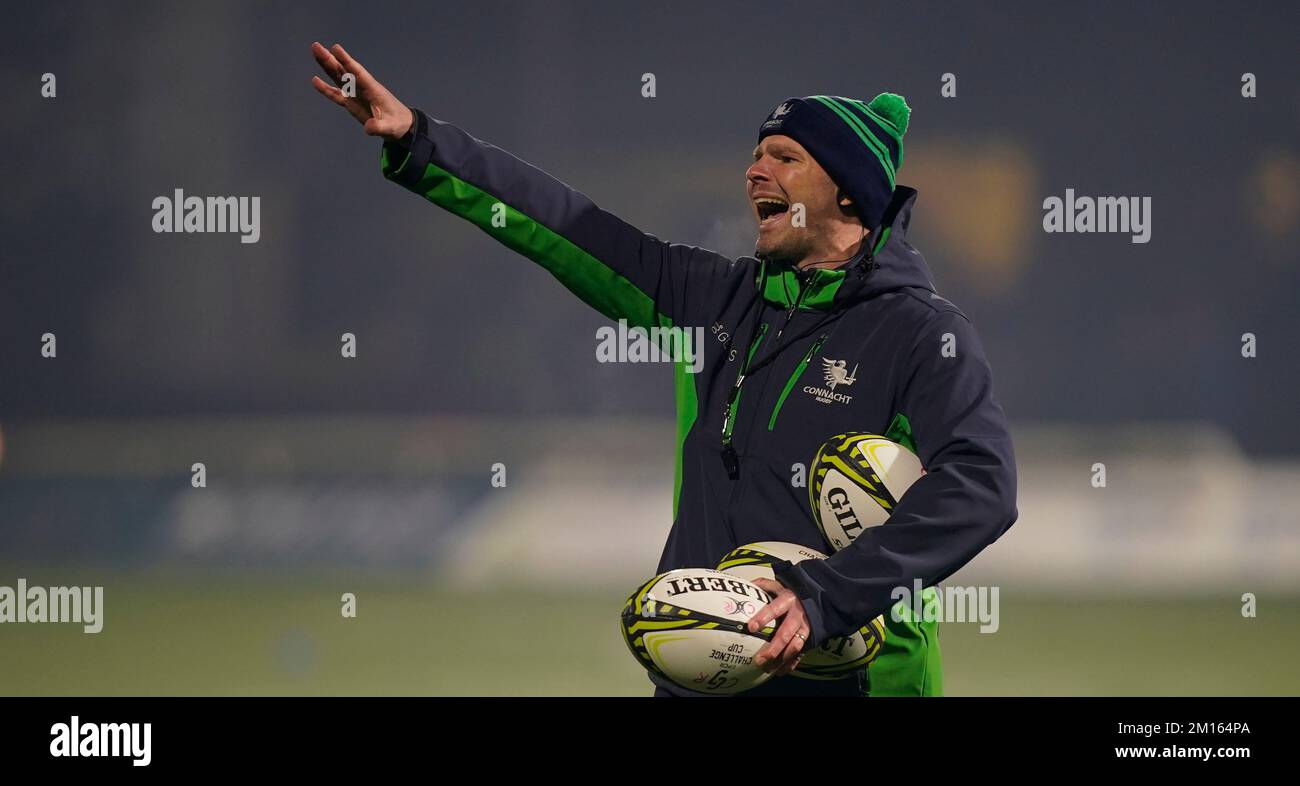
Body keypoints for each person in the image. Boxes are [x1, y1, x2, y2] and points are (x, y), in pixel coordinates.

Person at [310, 41, 1018, 697]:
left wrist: (826, 594)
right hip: (711, 677)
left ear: (847, 192)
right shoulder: (709, 297)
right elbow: (564, 226)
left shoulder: (921, 334)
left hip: (852, 685)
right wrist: (421, 143)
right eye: (754, 152)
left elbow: (981, 484)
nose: (754, 170)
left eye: (783, 156)